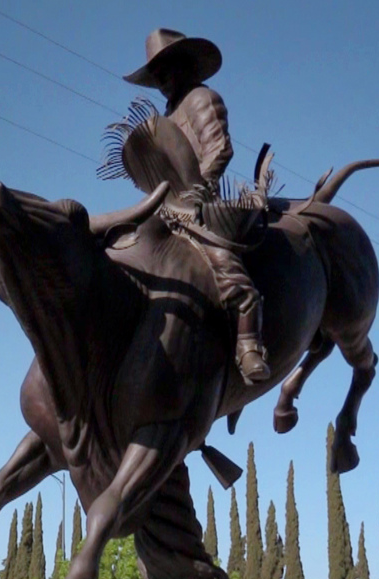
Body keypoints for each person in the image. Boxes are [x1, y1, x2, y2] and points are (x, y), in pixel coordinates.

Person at [123, 29, 270, 384]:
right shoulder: (166, 116)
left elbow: (219, 149)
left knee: (221, 260)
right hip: (165, 207)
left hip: (199, 205)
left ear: (184, 64)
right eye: (154, 75)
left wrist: (197, 191)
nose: (159, 80)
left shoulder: (203, 99)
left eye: (165, 70)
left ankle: (248, 341)